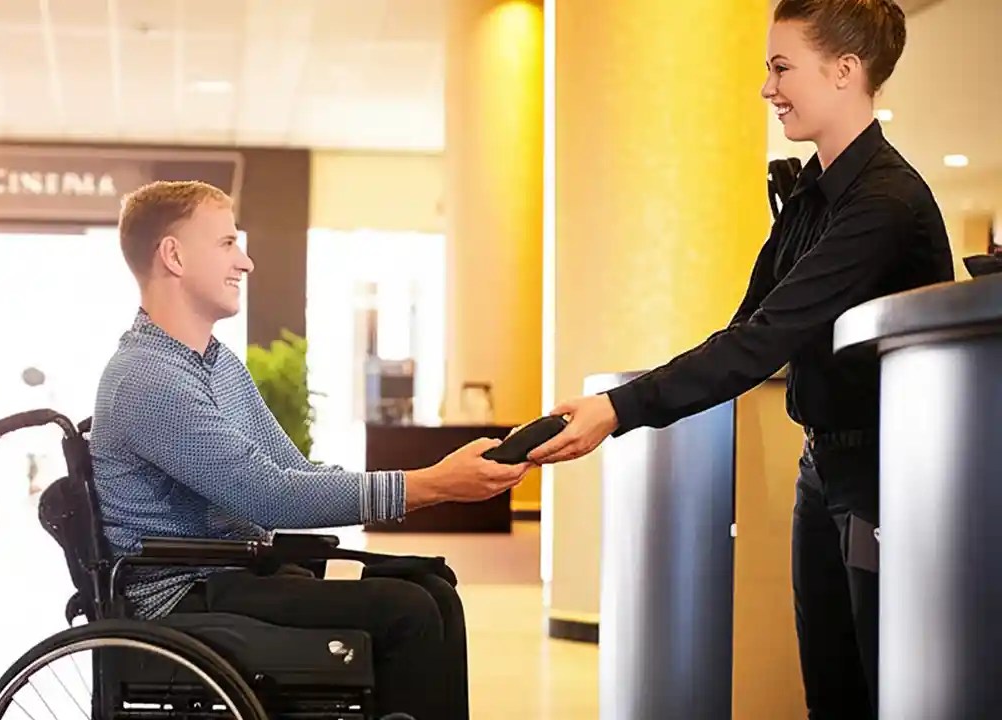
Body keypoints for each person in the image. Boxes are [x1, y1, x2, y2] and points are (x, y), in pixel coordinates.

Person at [527, 1, 954, 718]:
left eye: (782, 67)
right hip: (823, 474)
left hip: (885, 482)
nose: (767, 87)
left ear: (845, 71)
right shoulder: (812, 197)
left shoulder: (885, 200)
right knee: (831, 690)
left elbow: (763, 342)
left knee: (882, 694)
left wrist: (618, 410)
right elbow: (747, 327)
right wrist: (627, 404)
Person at [89, 179, 532, 720]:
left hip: (236, 575)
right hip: (187, 592)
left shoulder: (215, 364)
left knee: (430, 584)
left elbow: (291, 472)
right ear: (174, 256)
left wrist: (427, 481)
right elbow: (269, 497)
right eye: (227, 244)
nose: (246, 262)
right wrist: (434, 484)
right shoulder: (148, 379)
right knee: (407, 611)